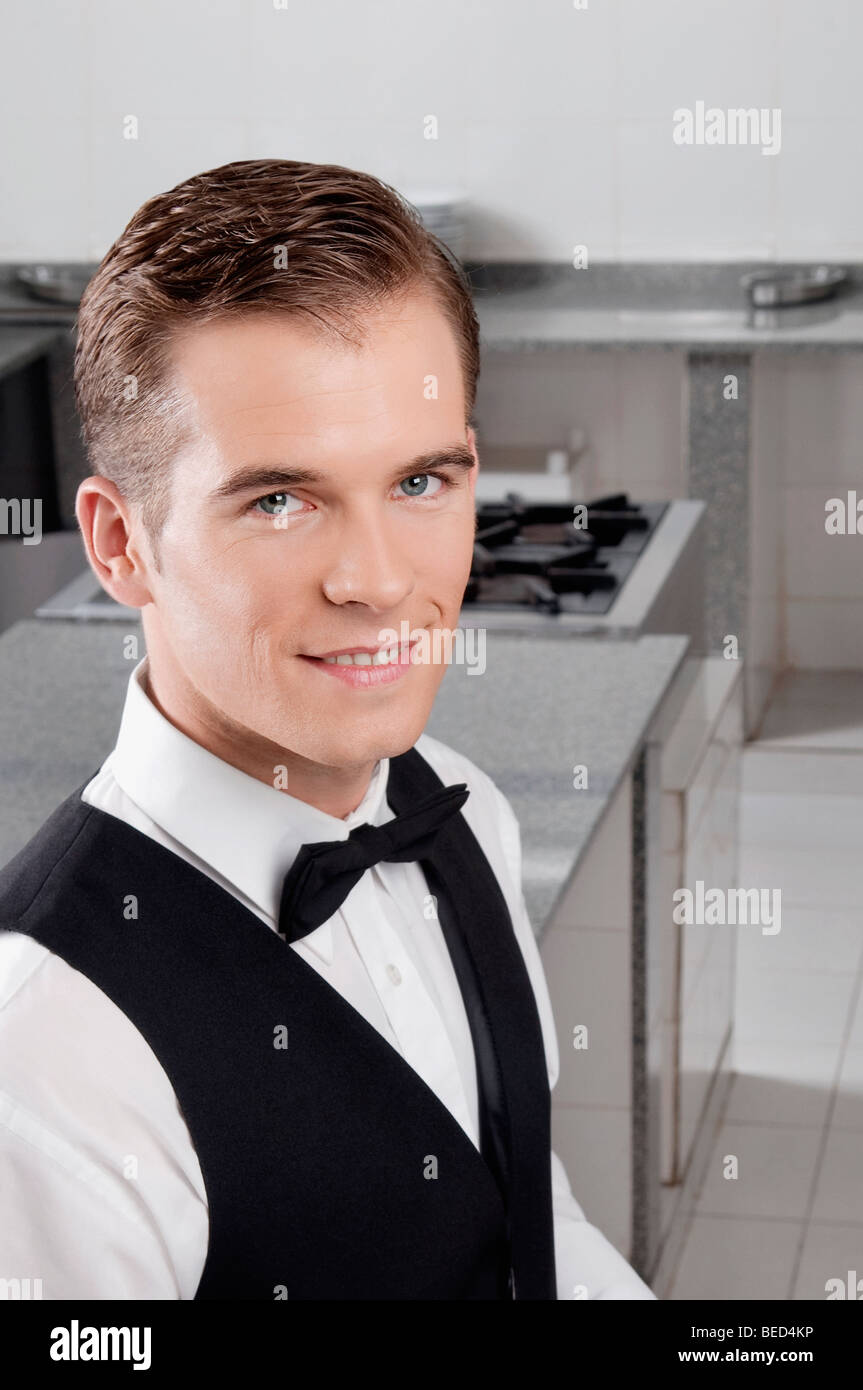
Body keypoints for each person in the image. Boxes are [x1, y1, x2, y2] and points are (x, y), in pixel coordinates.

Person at [0, 159, 655, 1301]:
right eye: (279, 501)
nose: (378, 581)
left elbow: (529, 1216)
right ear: (120, 545)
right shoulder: (46, 1051)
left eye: (418, 483)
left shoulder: (456, 803)